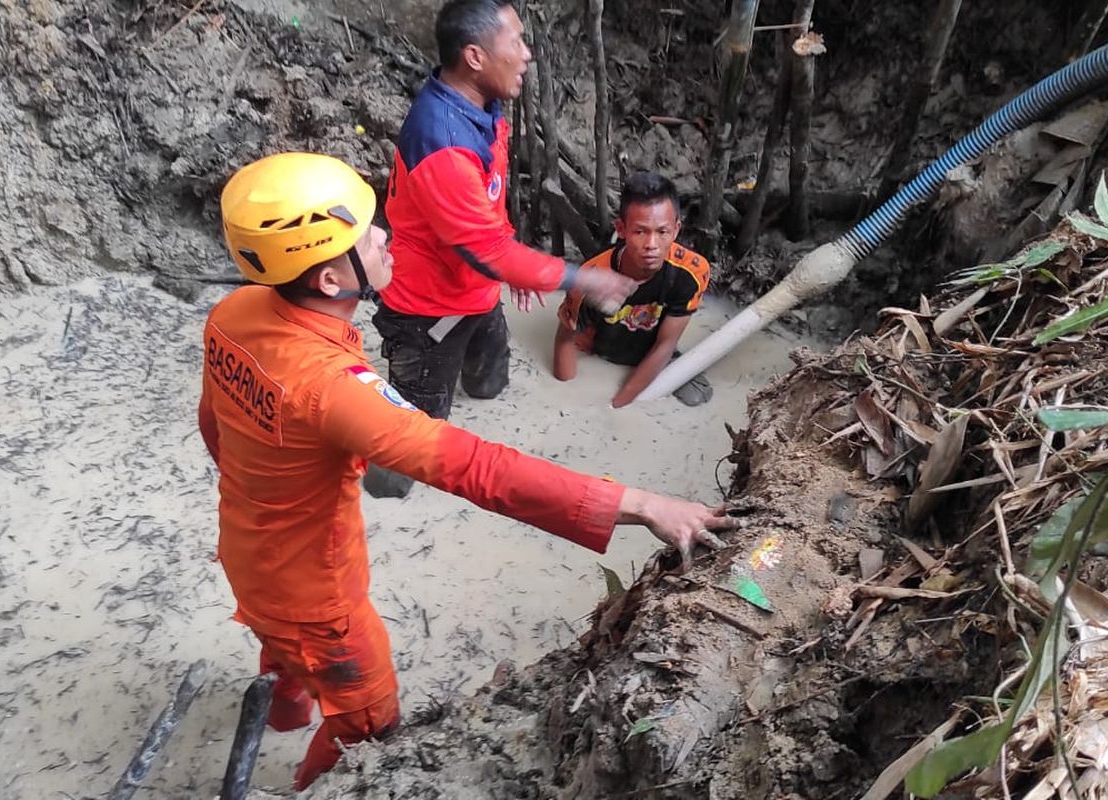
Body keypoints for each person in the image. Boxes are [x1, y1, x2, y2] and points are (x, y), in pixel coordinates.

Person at [198, 152, 736, 790]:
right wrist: (642, 503)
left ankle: (285, 708)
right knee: (369, 725)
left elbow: (215, 428)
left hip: (245, 547)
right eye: (364, 236)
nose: (383, 237)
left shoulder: (236, 314)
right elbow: (477, 468)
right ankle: (307, 784)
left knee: (286, 653)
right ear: (327, 280)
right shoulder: (332, 390)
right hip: (319, 598)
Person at [366, 0, 634, 498]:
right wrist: (581, 277)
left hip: (476, 288)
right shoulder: (442, 140)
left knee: (488, 383)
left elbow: (487, 205)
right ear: (474, 56)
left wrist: (515, 267)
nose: (527, 54)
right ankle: (383, 494)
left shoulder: (482, 106)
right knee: (406, 443)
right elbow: (485, 247)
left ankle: (473, 389)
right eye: (515, 42)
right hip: (427, 311)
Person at [553, 172, 714, 408]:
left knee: (698, 396)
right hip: (597, 350)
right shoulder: (593, 277)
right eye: (640, 232)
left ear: (676, 230)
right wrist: (566, 400)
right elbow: (565, 339)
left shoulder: (692, 271)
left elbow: (665, 344)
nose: (651, 245)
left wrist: (616, 406)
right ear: (621, 228)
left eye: (662, 232)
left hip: (650, 349)